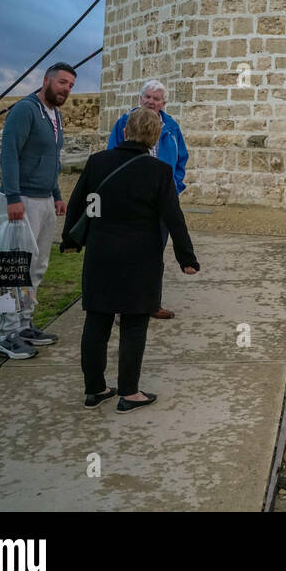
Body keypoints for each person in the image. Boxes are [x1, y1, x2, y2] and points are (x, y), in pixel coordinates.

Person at [61, 107, 200, 413]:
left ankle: (95, 389)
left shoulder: (97, 162)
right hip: (140, 257)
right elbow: (173, 217)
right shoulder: (159, 171)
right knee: (134, 323)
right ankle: (129, 392)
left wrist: (71, 240)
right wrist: (186, 258)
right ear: (155, 138)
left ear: (125, 131)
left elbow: (80, 202)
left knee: (97, 321)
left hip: (100, 254)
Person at [0, 62, 75, 360]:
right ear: (46, 81)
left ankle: (24, 324)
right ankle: (5, 333)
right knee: (10, 269)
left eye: (71, 86)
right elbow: (9, 154)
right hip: (20, 200)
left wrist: (57, 194)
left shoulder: (55, 115)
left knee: (35, 267)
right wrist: (13, 196)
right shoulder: (25, 110)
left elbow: (51, 158)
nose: (66, 89)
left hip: (44, 200)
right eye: (62, 82)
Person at [107, 79, 189, 319]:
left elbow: (181, 159)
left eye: (156, 98)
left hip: (161, 200)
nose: (151, 101)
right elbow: (112, 154)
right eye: (148, 97)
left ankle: (151, 303)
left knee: (154, 254)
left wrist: (174, 186)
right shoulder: (124, 123)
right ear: (140, 99)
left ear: (163, 103)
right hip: (131, 201)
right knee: (126, 253)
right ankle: (122, 306)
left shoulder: (171, 127)